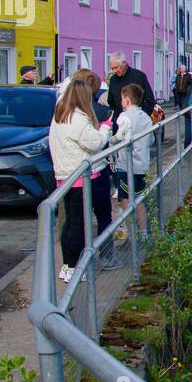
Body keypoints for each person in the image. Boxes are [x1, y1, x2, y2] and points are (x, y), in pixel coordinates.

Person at [49, 77, 113, 282]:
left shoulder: (60, 115)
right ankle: (73, 267)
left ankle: (68, 265)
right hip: (79, 177)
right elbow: (95, 144)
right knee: (78, 223)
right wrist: (105, 127)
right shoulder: (77, 118)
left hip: (65, 174)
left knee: (70, 222)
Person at [71, 69, 116, 265]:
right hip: (97, 169)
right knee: (103, 214)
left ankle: (76, 261)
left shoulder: (65, 112)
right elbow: (100, 143)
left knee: (76, 219)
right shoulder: (101, 112)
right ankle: (106, 256)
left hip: (73, 172)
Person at [113, 84, 153, 239]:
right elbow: (150, 139)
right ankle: (143, 232)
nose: (121, 101)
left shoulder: (124, 117)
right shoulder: (145, 117)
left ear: (127, 100)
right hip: (142, 165)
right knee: (140, 199)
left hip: (126, 165)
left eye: (122, 98)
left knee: (125, 199)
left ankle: (130, 233)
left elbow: (119, 138)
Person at [106, 51, 154, 118]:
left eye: (116, 67)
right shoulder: (113, 79)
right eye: (112, 68)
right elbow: (111, 101)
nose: (114, 71)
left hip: (138, 120)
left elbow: (150, 101)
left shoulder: (139, 76)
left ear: (124, 63)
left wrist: (142, 117)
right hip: (119, 121)